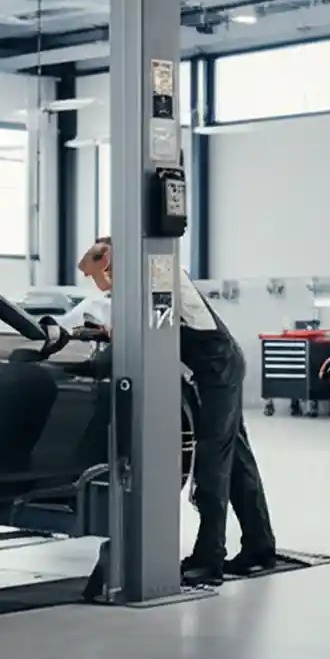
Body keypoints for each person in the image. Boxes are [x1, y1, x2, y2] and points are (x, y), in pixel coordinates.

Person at [60, 236, 276, 587]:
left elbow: (156, 327)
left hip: (218, 367)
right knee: (236, 460)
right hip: (215, 366)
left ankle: (209, 559)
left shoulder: (158, 270)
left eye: (101, 274)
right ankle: (260, 546)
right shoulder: (146, 274)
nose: (103, 283)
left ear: (111, 259)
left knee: (212, 464)